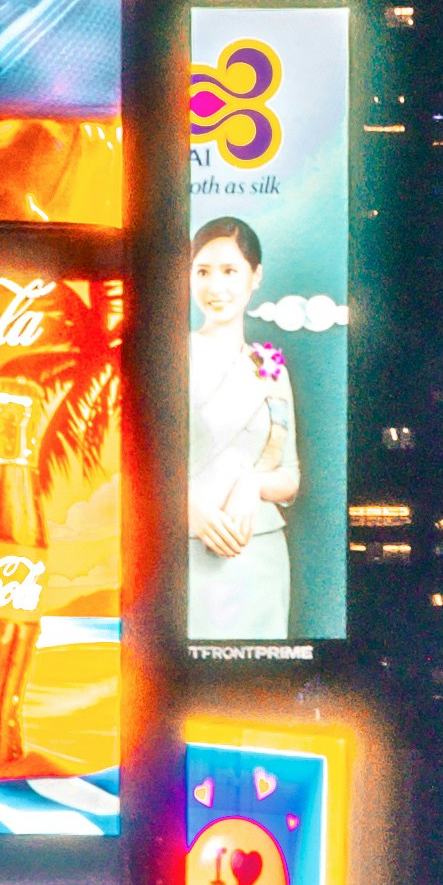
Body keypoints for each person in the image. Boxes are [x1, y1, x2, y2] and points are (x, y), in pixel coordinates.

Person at [183, 217, 301, 643]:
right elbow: (131, 466)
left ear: (256, 276)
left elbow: (290, 477)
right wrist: (183, 505)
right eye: (203, 271)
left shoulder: (269, 366)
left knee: (259, 679)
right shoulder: (169, 355)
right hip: (184, 551)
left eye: (230, 271)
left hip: (260, 557)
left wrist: (252, 484)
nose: (216, 287)